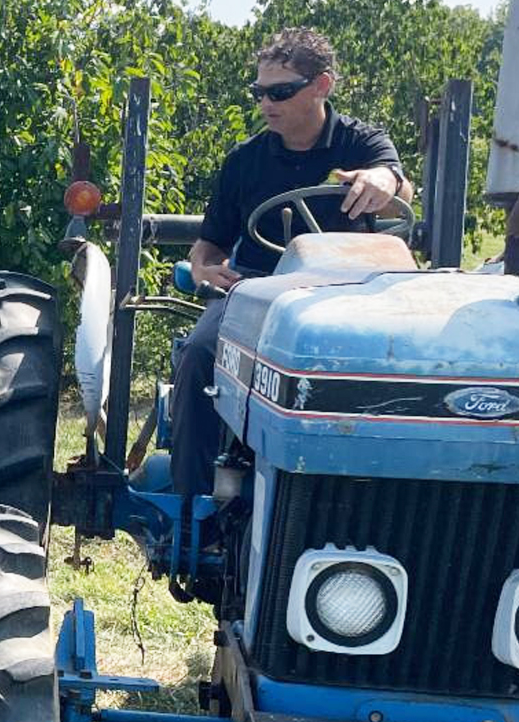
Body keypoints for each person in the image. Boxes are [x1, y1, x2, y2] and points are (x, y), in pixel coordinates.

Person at [171, 28, 414, 498]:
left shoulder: (362, 144)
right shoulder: (244, 162)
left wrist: (384, 182)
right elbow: (209, 247)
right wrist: (203, 269)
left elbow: (396, 184)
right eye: (259, 92)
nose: (266, 103)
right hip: (258, 296)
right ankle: (194, 510)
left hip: (350, 298)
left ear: (322, 85)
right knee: (200, 354)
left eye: (280, 92)